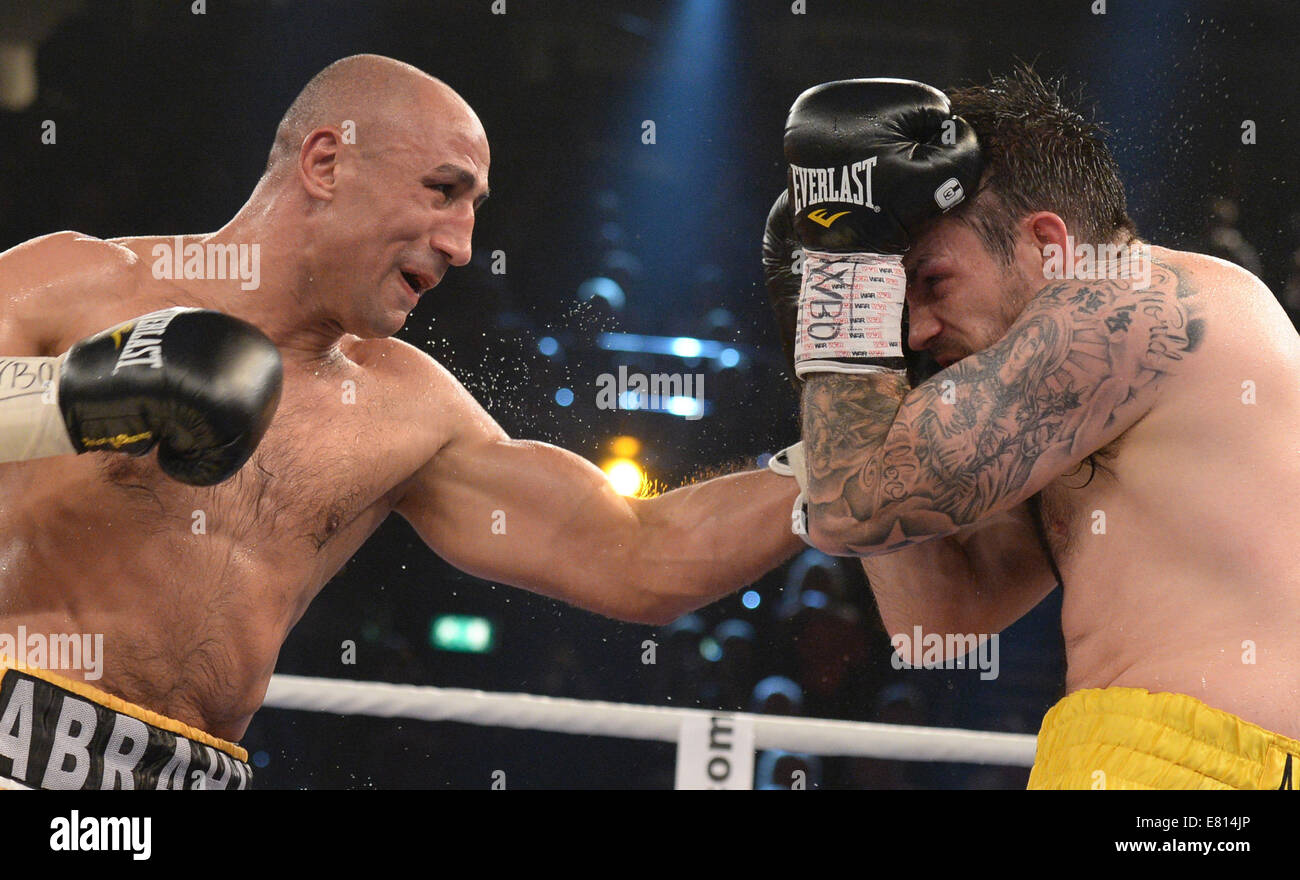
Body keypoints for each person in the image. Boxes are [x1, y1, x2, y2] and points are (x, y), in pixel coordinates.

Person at [0, 54, 803, 789]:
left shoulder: (410, 409)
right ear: (326, 162)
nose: (461, 245)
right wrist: (88, 394)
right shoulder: (79, 288)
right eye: (442, 190)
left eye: (474, 208)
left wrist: (840, 463)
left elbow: (638, 557)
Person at [765, 68, 1300, 789]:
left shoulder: (1133, 304)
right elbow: (940, 621)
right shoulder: (1083, 409)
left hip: (1205, 773)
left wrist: (841, 288)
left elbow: (848, 508)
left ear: (1047, 244)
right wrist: (836, 342)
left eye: (931, 280)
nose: (915, 330)